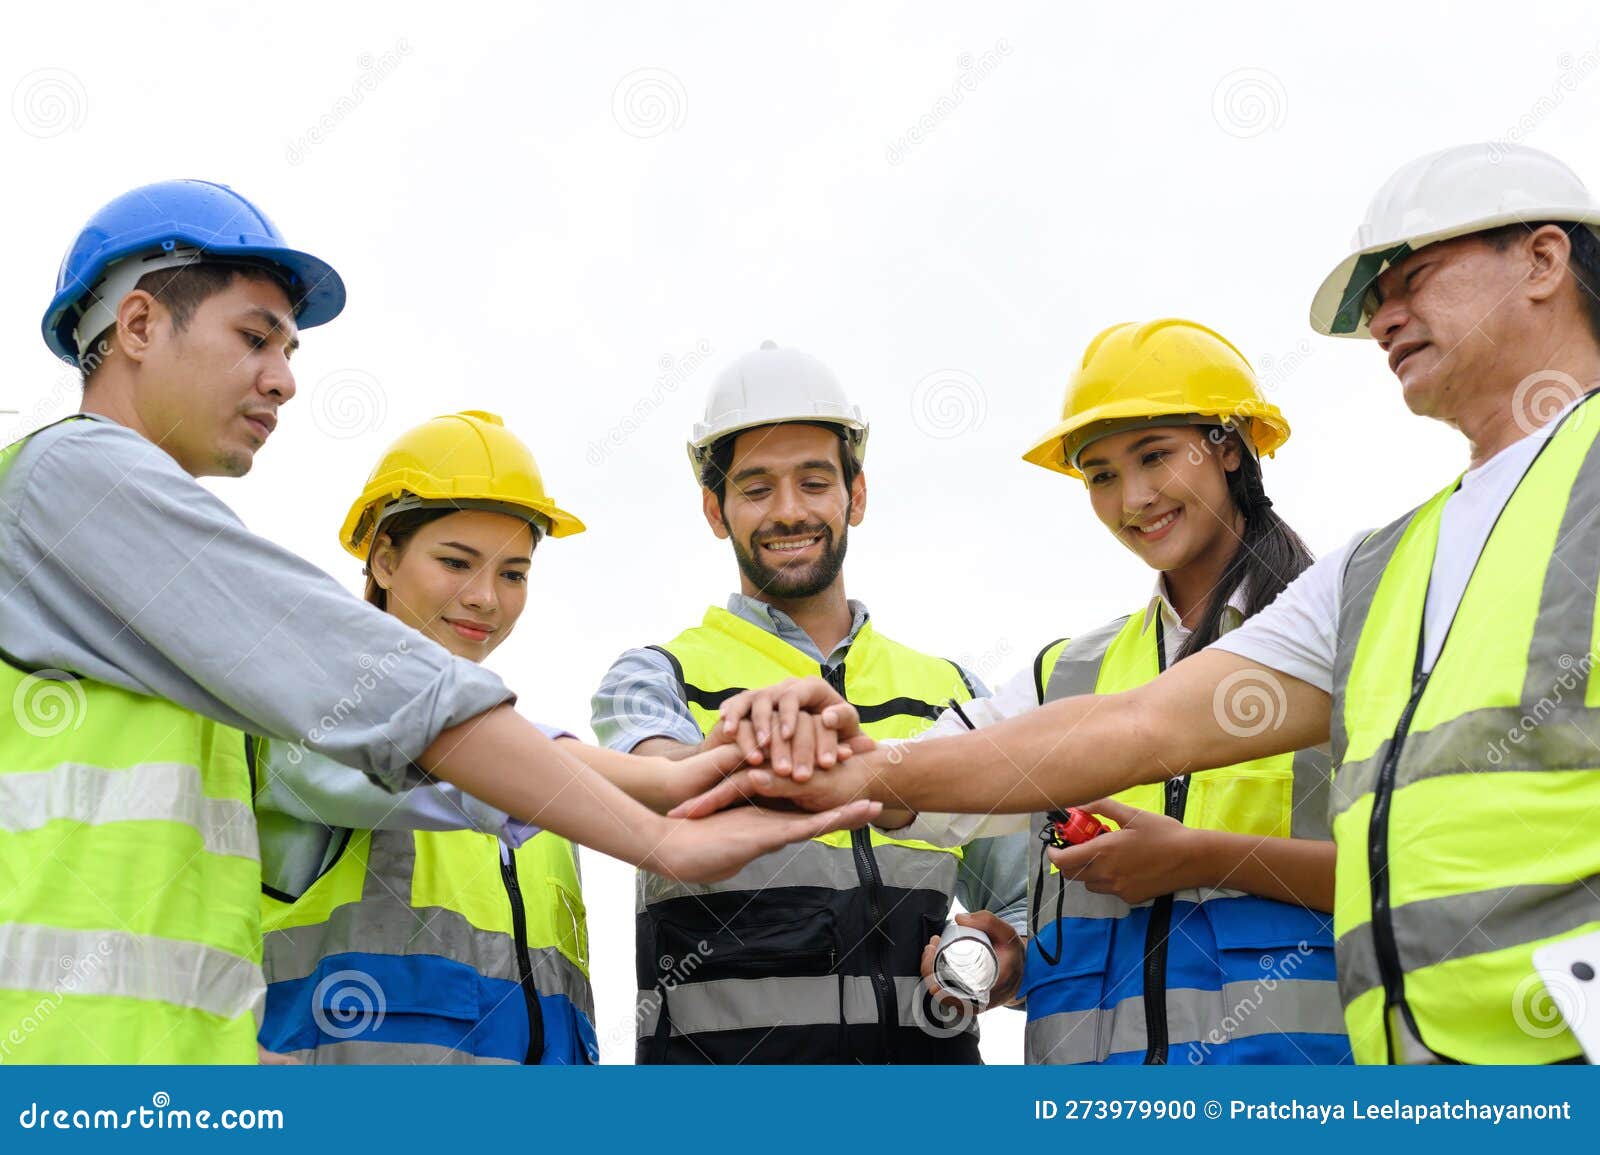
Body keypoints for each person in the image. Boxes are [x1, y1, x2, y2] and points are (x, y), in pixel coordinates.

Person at [681, 143, 1600, 1065]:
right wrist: (860, 759)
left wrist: (1206, 856)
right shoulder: (1385, 570)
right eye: (1102, 474)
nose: (1382, 318)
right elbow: (1137, 727)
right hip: (1406, 1063)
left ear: (1544, 260)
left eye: (1417, 277)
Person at [0, 182, 876, 1064]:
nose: (286, 379)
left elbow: (433, 752)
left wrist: (680, 779)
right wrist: (659, 837)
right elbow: (376, 685)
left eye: (289, 348)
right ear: (141, 326)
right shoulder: (72, 479)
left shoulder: (164, 637)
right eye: (255, 337)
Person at [903, 318, 1348, 1065]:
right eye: (1101, 474)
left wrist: (1207, 857)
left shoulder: (1351, 632)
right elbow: (924, 777)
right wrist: (1013, 960)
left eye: (1155, 456)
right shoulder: (1065, 675)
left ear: (1228, 445)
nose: (1133, 498)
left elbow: (1421, 870)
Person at [592, 341, 1029, 1063]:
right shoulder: (655, 677)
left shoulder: (953, 693)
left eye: (814, 481)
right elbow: (659, 783)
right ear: (714, 509)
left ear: (856, 495)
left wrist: (1000, 954)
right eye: (757, 487)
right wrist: (742, 751)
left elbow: (1019, 908)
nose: (788, 511)